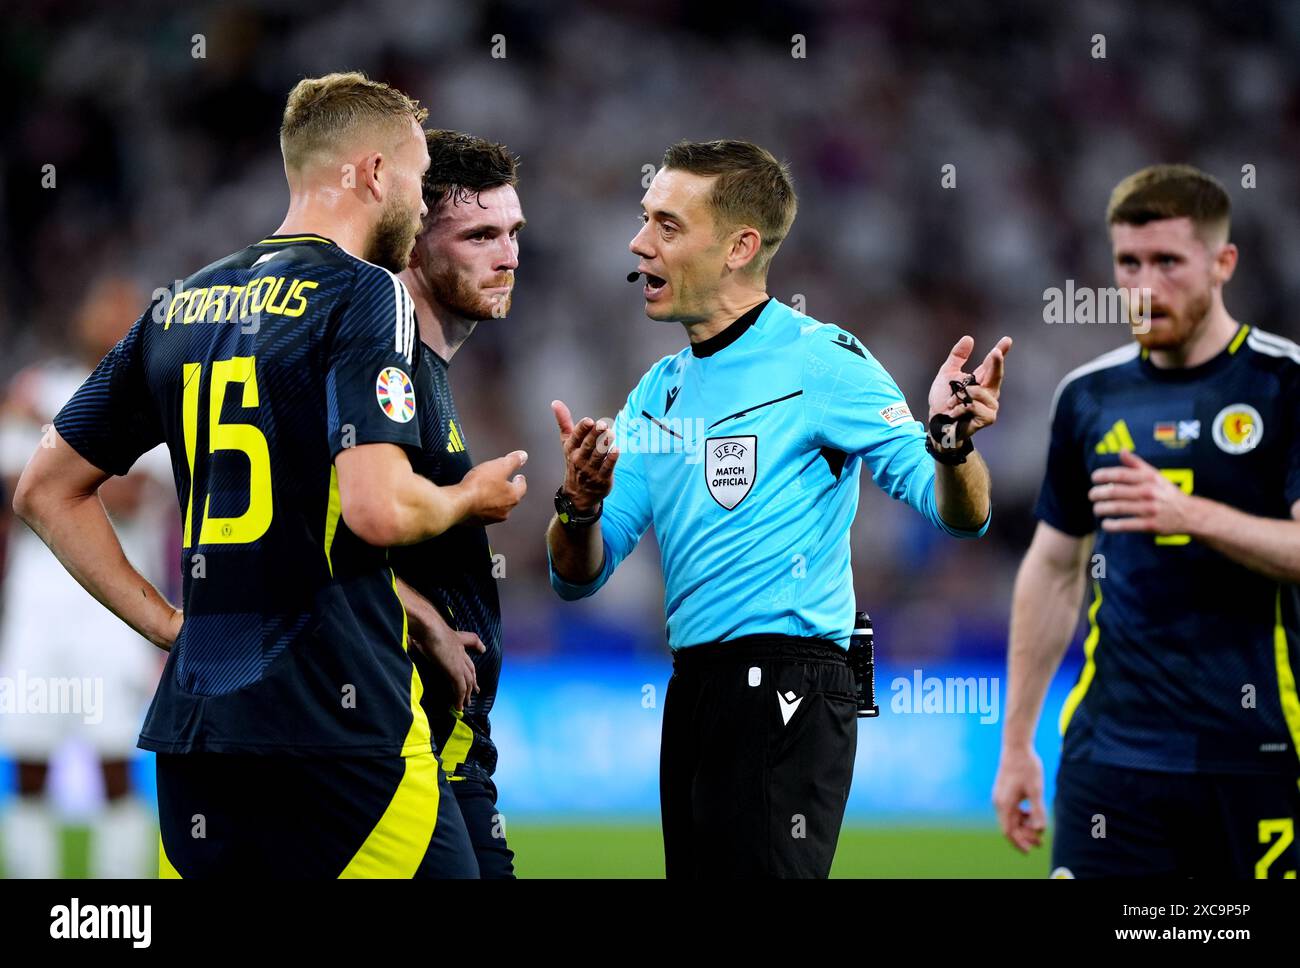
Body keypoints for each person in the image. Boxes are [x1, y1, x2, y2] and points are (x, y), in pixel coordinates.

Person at [12, 72, 526, 878]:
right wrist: (470, 495)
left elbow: (44, 490)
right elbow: (377, 511)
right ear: (371, 174)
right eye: (421, 181)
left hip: (201, 731)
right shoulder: (365, 295)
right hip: (337, 721)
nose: (424, 206)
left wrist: (169, 626)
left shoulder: (181, 303)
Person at [547, 139, 1011, 878]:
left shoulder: (820, 361)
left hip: (789, 678)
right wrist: (576, 507)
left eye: (667, 225)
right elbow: (577, 577)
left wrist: (952, 447)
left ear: (739, 247)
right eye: (644, 220)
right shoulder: (655, 394)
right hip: (694, 688)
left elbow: (957, 512)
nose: (638, 244)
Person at [993, 163, 1300, 879]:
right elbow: (1053, 566)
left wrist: (1192, 515)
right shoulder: (1089, 398)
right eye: (1128, 262)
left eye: (1168, 262)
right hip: (1112, 759)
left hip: (1255, 754)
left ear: (1223, 263)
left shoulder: (1282, 386)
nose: (1144, 285)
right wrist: (1016, 745)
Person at [0, 276, 171, 878]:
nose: (111, 314)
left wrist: (45, 423)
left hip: (113, 610)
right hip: (38, 608)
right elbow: (19, 486)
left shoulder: (153, 394)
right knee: (27, 767)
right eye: (102, 303)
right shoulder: (40, 380)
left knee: (115, 769)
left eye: (124, 307)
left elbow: (124, 494)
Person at [393, 129, 526, 878]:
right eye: (479, 234)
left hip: (454, 738)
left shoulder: (428, 370)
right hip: (405, 735)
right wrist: (423, 617)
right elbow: (313, 530)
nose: (507, 255)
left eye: (512, 233)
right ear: (413, 241)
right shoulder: (385, 368)